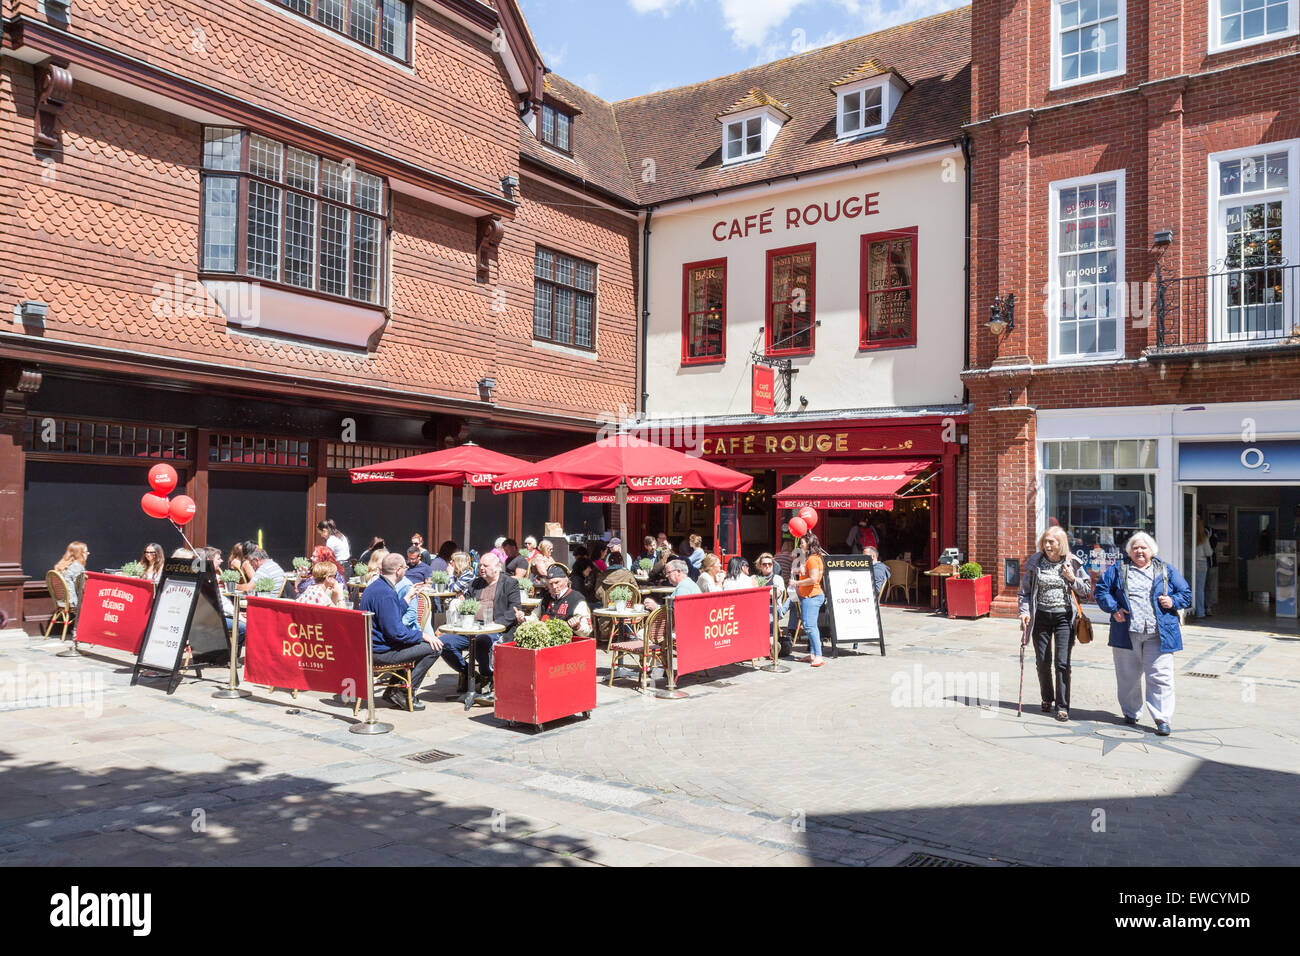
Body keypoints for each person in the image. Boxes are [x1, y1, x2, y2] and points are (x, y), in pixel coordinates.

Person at [1094, 531, 1191, 736]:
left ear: (1151, 551)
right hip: (1127, 631)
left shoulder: (1165, 569)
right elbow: (1101, 590)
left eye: (1143, 547)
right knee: (1128, 676)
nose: (1139, 551)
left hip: (1159, 633)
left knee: (1160, 676)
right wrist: (1114, 609)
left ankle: (1162, 718)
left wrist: (1172, 601)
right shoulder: (1119, 569)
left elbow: (1185, 593)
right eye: (1135, 547)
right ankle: (1131, 712)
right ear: (1129, 551)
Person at [1017, 526, 1093, 722]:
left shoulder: (1072, 562)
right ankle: (1047, 698)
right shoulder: (1035, 562)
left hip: (1063, 618)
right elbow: (1024, 592)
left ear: (1061, 544)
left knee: (1062, 663)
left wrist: (1071, 578)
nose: (1047, 545)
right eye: (1045, 541)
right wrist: (1024, 612)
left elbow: (1085, 589)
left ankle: (1062, 706)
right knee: (1042, 662)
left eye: (1052, 542)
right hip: (1040, 617)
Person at [436, 553, 524, 702]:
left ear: (497, 567)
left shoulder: (509, 583)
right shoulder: (475, 583)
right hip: (472, 627)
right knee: (443, 643)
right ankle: (472, 676)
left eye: (485, 565)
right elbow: (466, 606)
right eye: (480, 565)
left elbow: (514, 610)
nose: (481, 568)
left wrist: (496, 624)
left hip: (496, 630)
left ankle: (487, 676)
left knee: (482, 641)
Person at [360, 553, 442, 710]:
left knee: (420, 643)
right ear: (398, 570)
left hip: (371, 647)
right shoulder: (386, 593)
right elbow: (397, 633)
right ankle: (404, 693)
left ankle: (394, 691)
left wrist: (406, 599)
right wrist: (423, 635)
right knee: (435, 647)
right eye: (405, 567)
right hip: (380, 652)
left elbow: (388, 615)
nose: (406, 570)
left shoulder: (375, 587)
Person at [791, 532, 827, 667]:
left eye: (802, 543)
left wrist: (796, 583)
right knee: (811, 625)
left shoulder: (812, 559)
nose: (800, 545)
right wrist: (800, 572)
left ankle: (818, 655)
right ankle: (812, 654)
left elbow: (813, 579)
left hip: (811, 596)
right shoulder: (814, 558)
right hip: (812, 595)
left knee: (809, 626)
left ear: (809, 544)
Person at [537, 565, 593, 638]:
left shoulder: (576, 598)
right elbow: (535, 616)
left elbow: (587, 631)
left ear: (566, 581)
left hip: (568, 642)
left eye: (557, 582)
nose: (554, 586)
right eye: (550, 584)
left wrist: (577, 627)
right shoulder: (546, 597)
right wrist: (524, 618)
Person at [53, 542, 89, 607]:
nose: (88, 554)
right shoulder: (77, 567)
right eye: (86, 552)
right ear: (79, 554)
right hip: (73, 602)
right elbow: (80, 588)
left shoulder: (64, 565)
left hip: (62, 602)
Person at [1194, 525, 1212, 619]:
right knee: (1200, 589)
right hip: (1201, 562)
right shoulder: (1203, 538)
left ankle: (1189, 609)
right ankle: (1200, 611)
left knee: (1189, 586)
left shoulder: (1187, 536)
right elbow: (1209, 552)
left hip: (1189, 562)